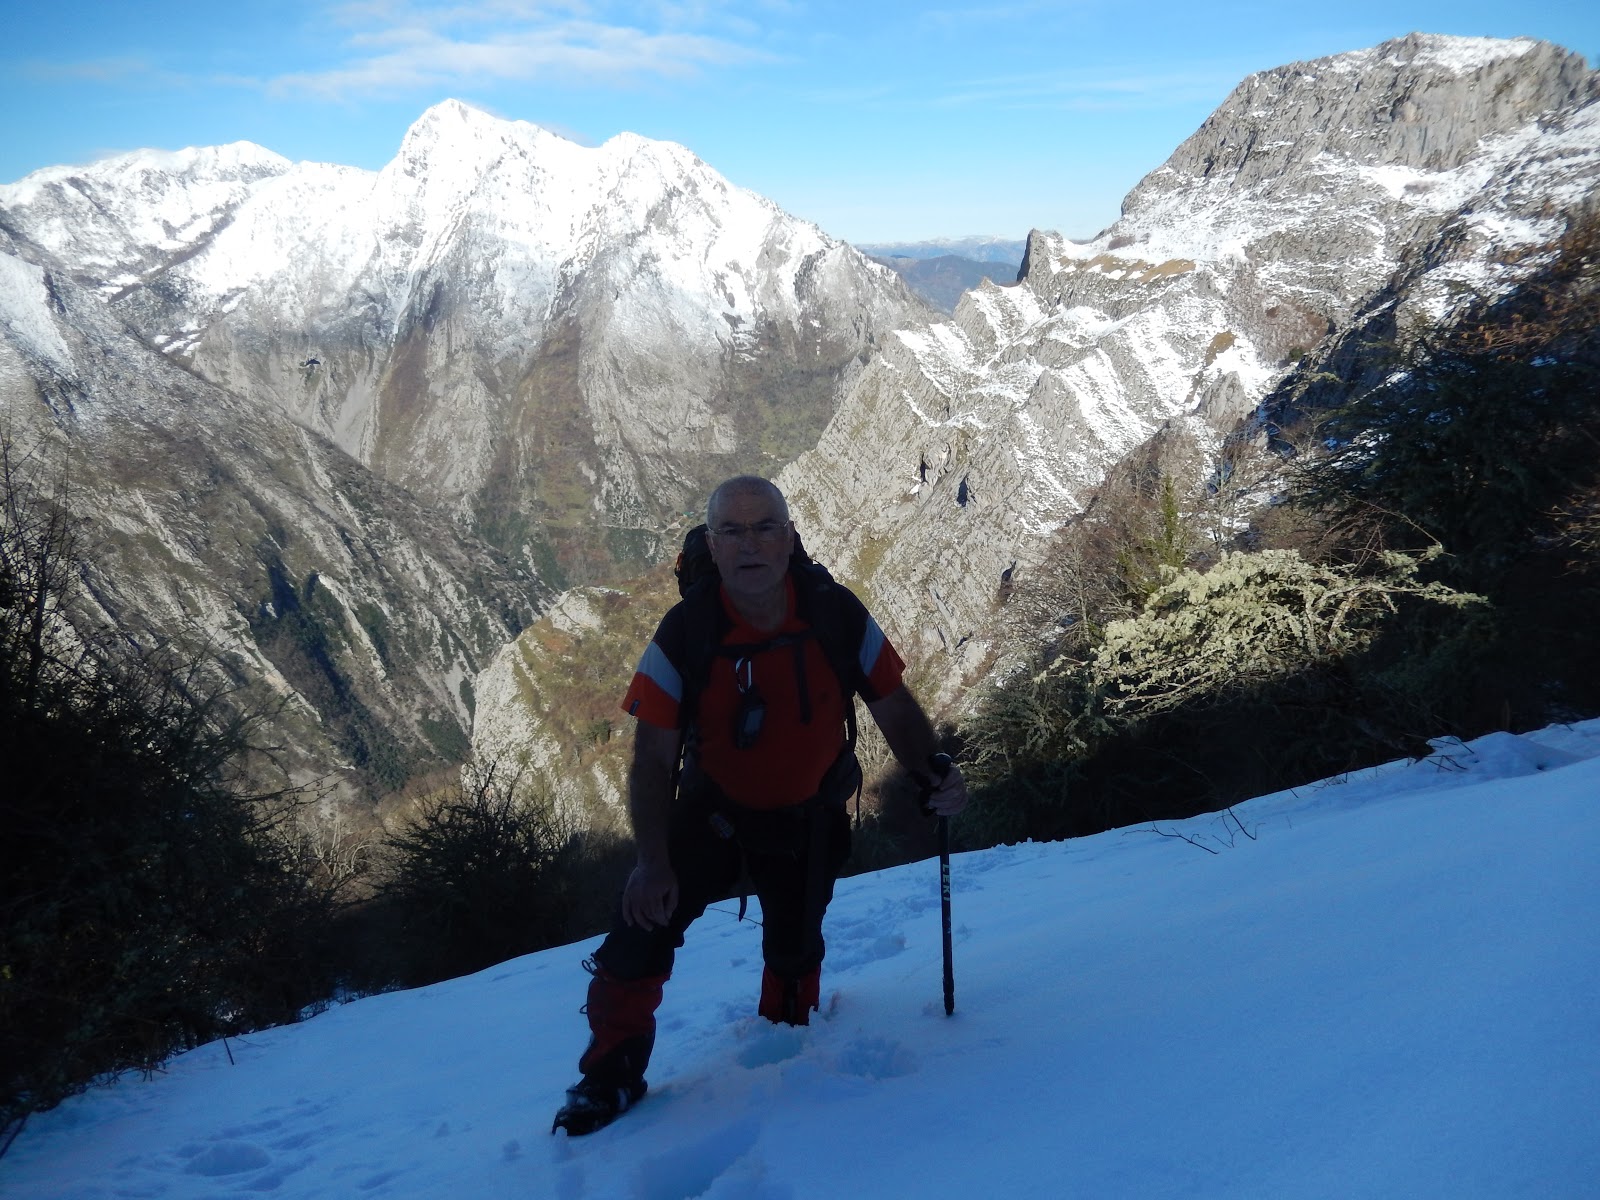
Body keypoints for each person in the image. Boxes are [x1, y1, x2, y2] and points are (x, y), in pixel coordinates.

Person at [552, 475, 969, 1136]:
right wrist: (652, 861)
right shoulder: (686, 633)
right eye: (732, 531)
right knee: (638, 933)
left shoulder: (834, 613)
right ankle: (608, 1077)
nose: (750, 545)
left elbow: (891, 703)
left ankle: (789, 1046)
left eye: (765, 527)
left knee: (796, 950)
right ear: (711, 548)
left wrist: (932, 772)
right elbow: (653, 758)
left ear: (790, 538)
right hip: (711, 816)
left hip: (809, 816)